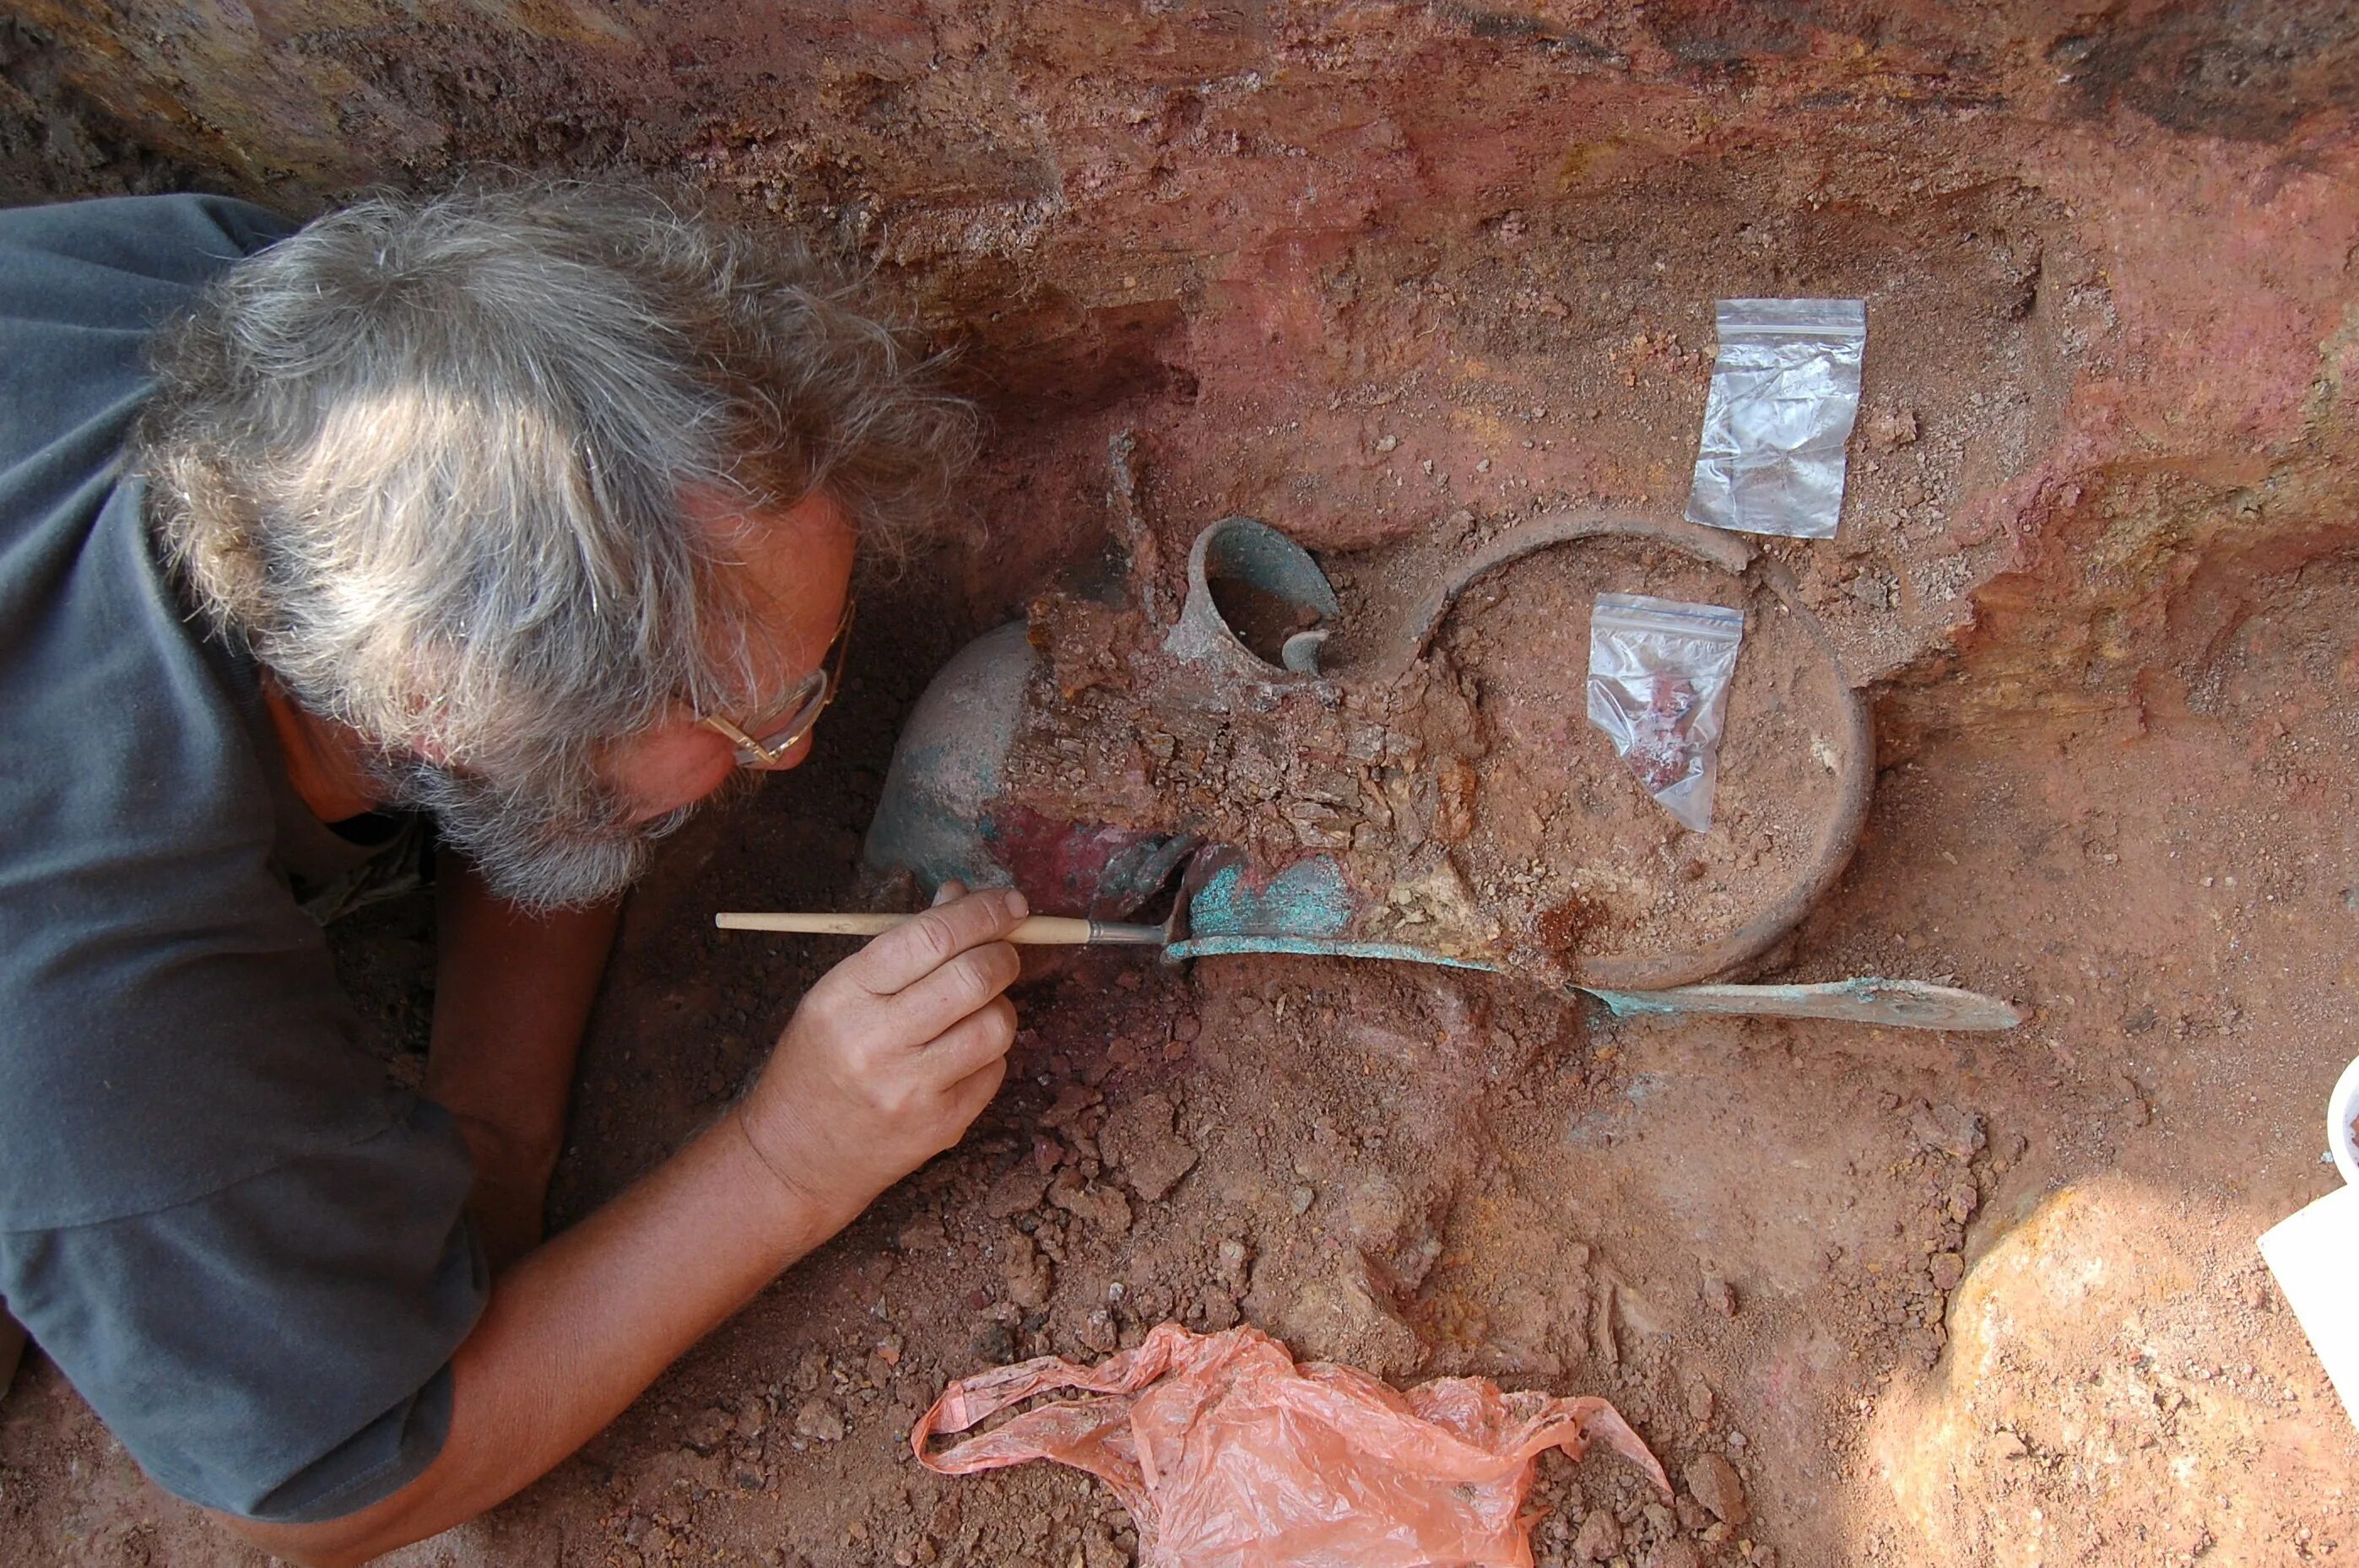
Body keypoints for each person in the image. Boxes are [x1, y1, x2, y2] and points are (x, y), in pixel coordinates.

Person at [0, 183, 1031, 1565]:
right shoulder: (98, 1010)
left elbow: (530, 780)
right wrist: (789, 1158)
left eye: (815, 673)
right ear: (456, 727)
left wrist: (493, 1134)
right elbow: (343, 1484)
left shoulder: (332, 343)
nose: (794, 756)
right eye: (750, 723)